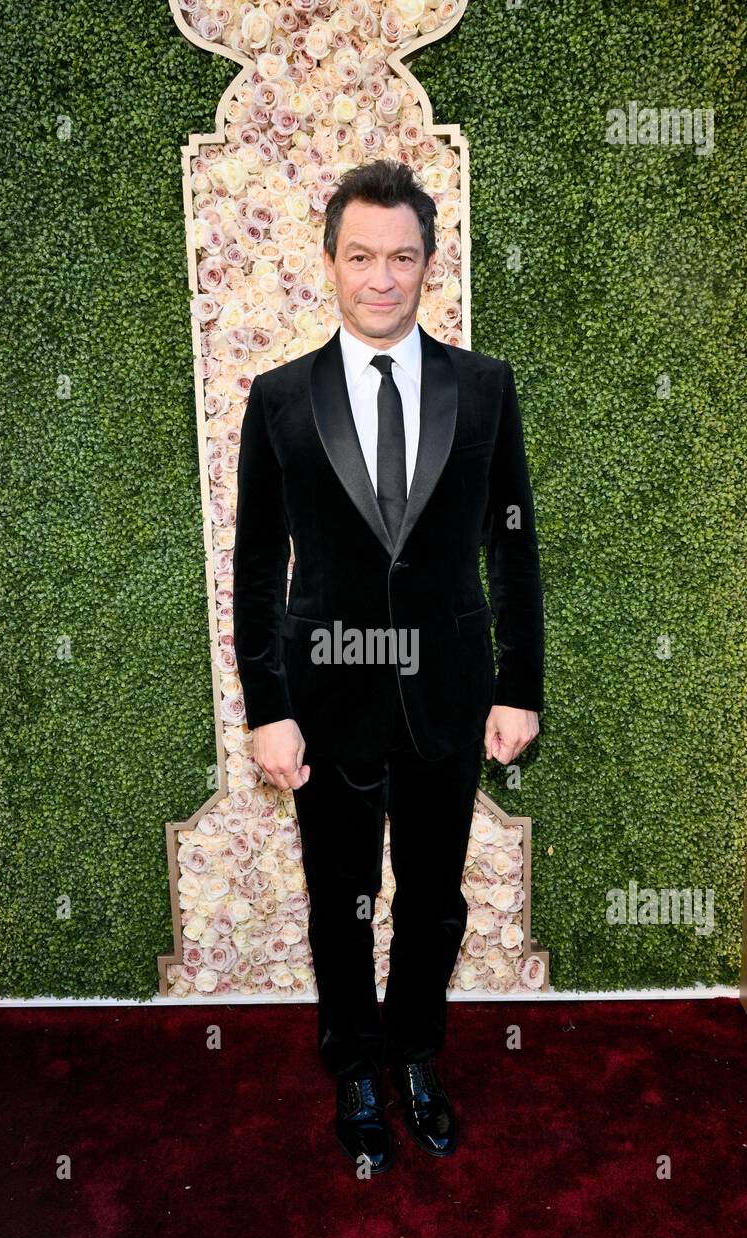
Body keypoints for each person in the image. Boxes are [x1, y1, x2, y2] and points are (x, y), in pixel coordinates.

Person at [233, 158, 543, 1173]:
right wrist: (266, 707)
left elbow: (512, 545)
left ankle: (415, 1056)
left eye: (400, 256)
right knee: (338, 900)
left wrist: (518, 684)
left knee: (433, 899)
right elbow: (252, 567)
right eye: (360, 255)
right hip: (324, 701)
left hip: (451, 700)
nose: (381, 276)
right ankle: (354, 1068)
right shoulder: (277, 400)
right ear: (329, 262)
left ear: (426, 263)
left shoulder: (484, 387)